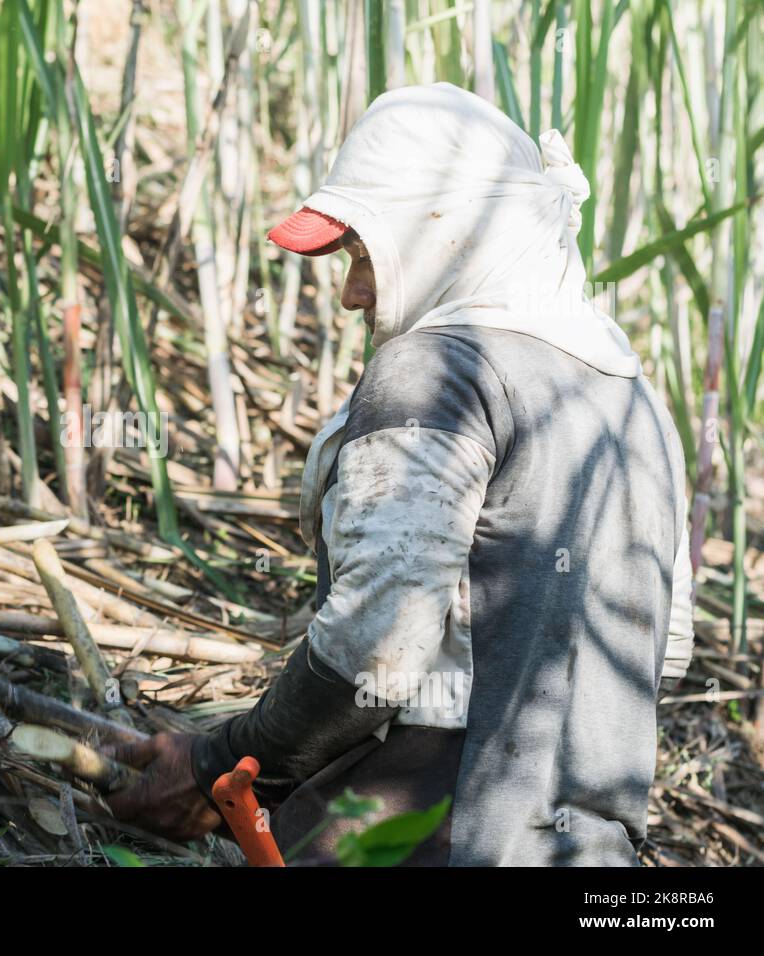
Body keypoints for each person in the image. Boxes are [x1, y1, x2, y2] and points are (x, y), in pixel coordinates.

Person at [106, 82, 694, 866]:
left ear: (440, 229)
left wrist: (223, 762)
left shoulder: (437, 374)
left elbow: (378, 651)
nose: (352, 295)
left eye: (361, 254)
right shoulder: (631, 397)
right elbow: (666, 652)